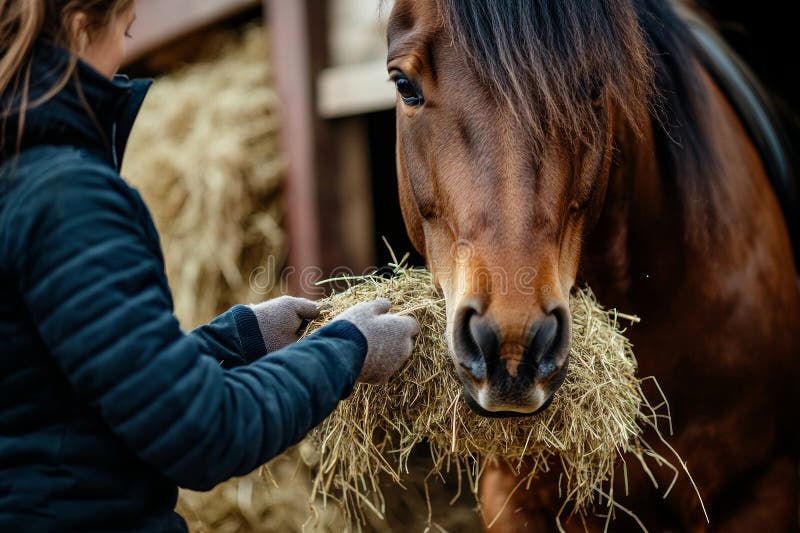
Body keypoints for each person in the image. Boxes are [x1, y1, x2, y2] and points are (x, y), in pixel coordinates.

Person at [0, 1, 419, 531]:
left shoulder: (19, 178)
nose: (123, 57)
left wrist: (238, 339)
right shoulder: (66, 198)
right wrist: (346, 351)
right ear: (81, 29)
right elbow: (202, 432)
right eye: (123, 31)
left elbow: (72, 393)